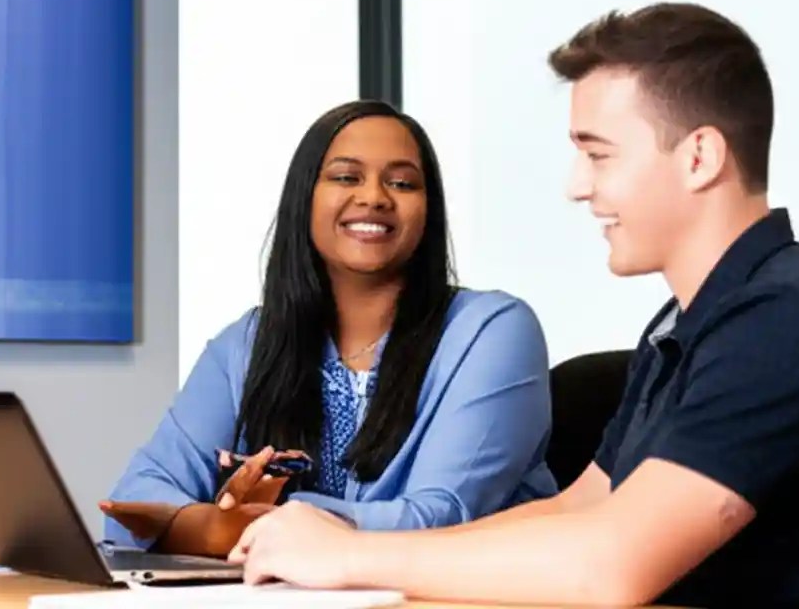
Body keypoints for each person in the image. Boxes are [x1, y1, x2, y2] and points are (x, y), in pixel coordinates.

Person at [229, 3, 799, 607]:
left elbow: (611, 563)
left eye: (598, 155)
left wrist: (348, 558)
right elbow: (579, 510)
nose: (576, 186)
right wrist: (347, 540)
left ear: (699, 158)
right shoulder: (688, 323)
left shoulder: (787, 320)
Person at [100, 99, 557, 558]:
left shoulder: (492, 332)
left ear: (429, 209)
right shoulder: (247, 344)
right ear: (304, 198)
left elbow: (440, 517)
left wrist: (254, 523)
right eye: (346, 177)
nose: (375, 197)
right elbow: (133, 503)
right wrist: (219, 528)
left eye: (402, 183)